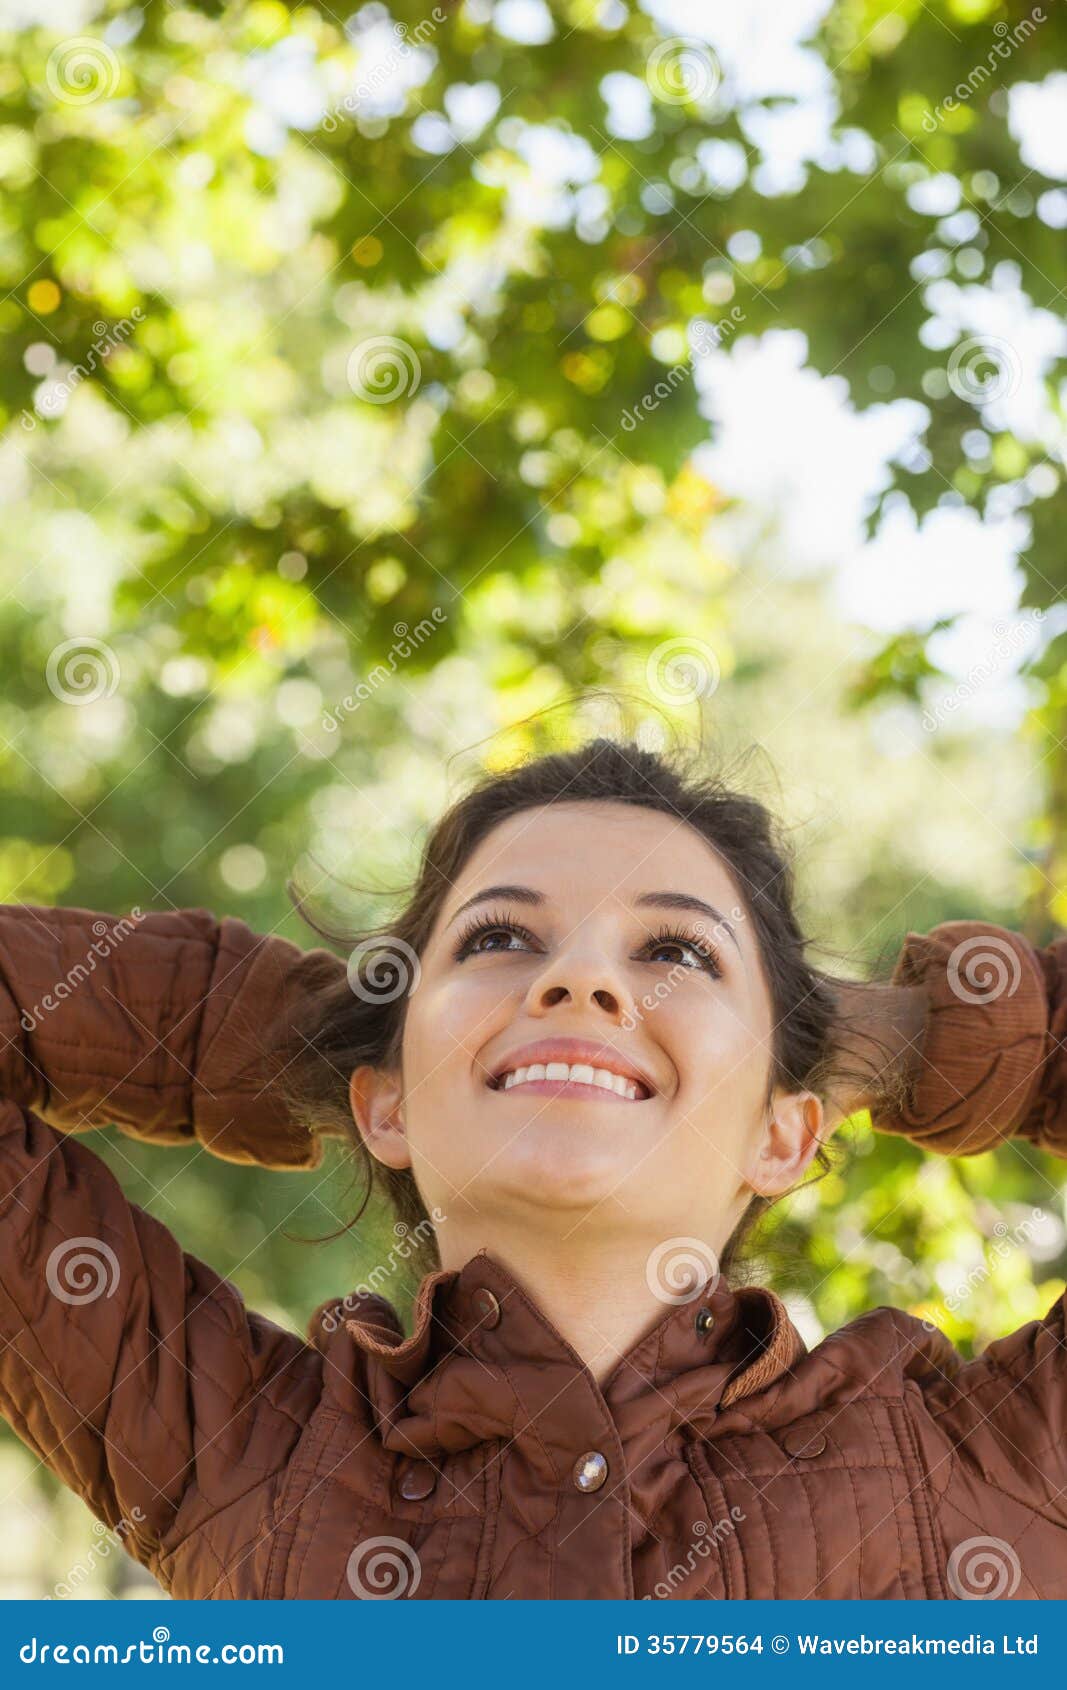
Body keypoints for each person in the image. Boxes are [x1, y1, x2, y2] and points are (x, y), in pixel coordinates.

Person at [0, 736, 1063, 1601]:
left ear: (784, 1134)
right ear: (386, 1110)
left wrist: (924, 1038)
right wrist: (329, 1034)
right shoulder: (246, 1454)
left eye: (675, 952)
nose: (578, 977)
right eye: (500, 938)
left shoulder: (988, 1471)